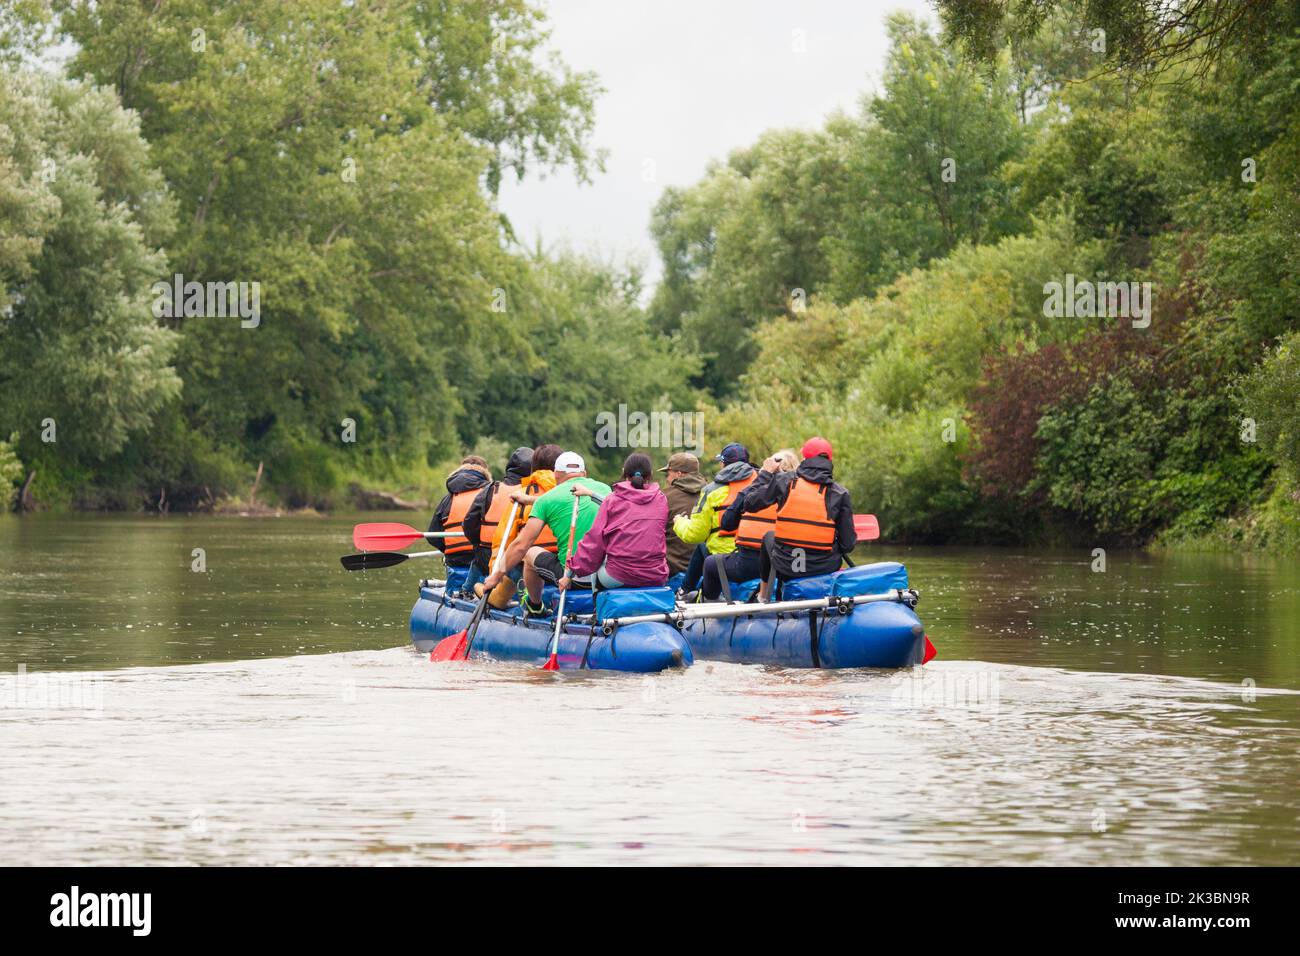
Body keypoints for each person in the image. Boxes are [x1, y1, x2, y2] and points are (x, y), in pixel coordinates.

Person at [481, 451, 611, 615]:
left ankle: (535, 606)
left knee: (529, 552)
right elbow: (569, 501)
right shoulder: (605, 490)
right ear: (584, 473)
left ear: (556, 474)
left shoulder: (547, 500)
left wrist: (495, 577)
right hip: (606, 574)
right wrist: (530, 501)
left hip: (573, 578)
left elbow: (521, 545)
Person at [739, 436, 856, 599]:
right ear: (830, 460)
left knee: (768, 537)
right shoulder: (840, 493)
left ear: (804, 459)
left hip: (786, 566)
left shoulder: (783, 481)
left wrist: (764, 474)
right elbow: (848, 544)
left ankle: (763, 596)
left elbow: (750, 503)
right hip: (823, 568)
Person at [562, 452, 669, 591]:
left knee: (599, 562)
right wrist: (591, 494)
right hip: (656, 575)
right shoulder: (662, 499)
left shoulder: (613, 500)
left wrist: (570, 573)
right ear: (650, 474)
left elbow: (594, 542)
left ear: (624, 473)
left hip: (618, 576)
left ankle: (597, 608)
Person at [703, 447, 798, 600]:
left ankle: (709, 610)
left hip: (749, 564)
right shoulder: (800, 493)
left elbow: (727, 523)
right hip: (788, 563)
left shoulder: (753, 492)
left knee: (710, 564)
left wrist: (761, 477)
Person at [474, 443, 560, 608]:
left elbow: (504, 543)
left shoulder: (523, 495)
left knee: (511, 561)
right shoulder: (571, 494)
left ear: (533, 468)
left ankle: (503, 597)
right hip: (565, 568)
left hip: (531, 569)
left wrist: (495, 575)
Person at [672, 442, 756, 592]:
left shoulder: (711, 491)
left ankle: (684, 591)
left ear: (724, 464)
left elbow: (695, 535)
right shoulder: (764, 484)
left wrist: (679, 522)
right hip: (758, 556)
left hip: (725, 557)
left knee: (701, 546)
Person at [464, 446, 533, 580]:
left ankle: (467, 589)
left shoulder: (490, 490)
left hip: (486, 556)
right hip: (517, 561)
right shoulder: (533, 493)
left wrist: (479, 546)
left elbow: (469, 525)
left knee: (476, 561)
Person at [427, 456, 492, 588]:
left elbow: (433, 536)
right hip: (486, 560)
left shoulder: (447, 499)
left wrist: (449, 550)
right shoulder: (492, 495)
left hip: (456, 560)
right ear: (485, 472)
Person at [658, 452, 706, 576]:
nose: (668, 479)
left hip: (671, 569)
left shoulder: (663, 497)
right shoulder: (711, 494)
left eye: (668, 474)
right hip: (703, 569)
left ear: (679, 474)